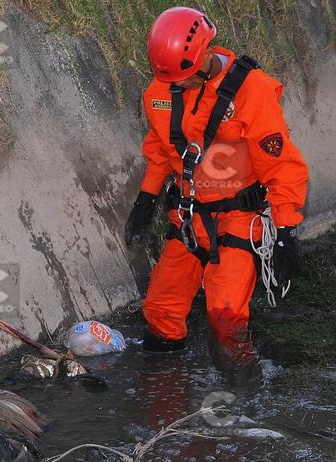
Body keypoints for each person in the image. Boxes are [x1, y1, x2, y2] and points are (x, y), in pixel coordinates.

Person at [124, 6, 308, 382]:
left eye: (186, 78)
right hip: (189, 219)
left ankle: (246, 398)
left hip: (239, 220)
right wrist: (146, 200)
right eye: (172, 80)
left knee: (225, 318)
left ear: (206, 52)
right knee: (160, 312)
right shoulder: (161, 90)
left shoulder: (251, 90)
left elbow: (282, 166)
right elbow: (160, 150)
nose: (179, 86)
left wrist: (286, 231)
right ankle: (165, 405)